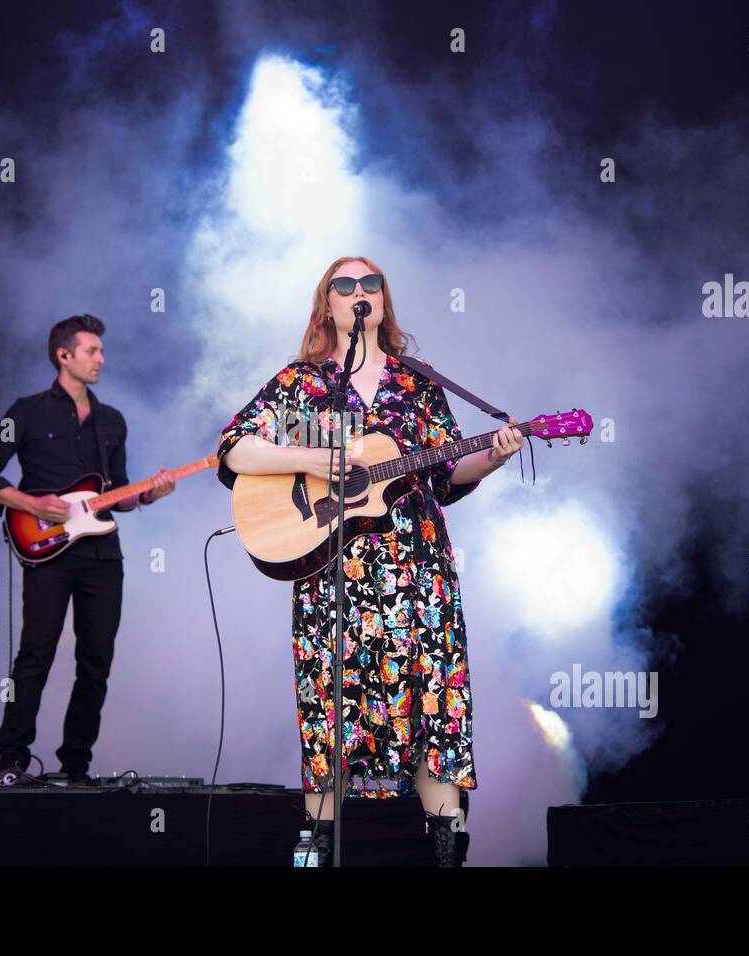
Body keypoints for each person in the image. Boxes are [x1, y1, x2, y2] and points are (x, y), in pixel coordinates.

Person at [215, 257, 523, 865]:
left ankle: (444, 847)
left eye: (372, 283)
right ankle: (319, 844)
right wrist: (314, 461)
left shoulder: (419, 382)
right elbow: (236, 448)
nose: (361, 292)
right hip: (334, 570)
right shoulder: (300, 384)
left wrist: (496, 455)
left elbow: (448, 474)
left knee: (433, 700)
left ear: (384, 298)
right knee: (330, 704)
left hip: (417, 574)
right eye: (346, 284)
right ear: (325, 303)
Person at [0, 314, 174, 785]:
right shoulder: (25, 412)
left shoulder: (112, 421)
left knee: (96, 659)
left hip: (102, 555)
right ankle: (12, 757)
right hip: (46, 549)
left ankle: (76, 763)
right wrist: (31, 502)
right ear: (64, 356)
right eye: (92, 351)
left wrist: (148, 494)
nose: (102, 359)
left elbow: (117, 492)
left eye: (101, 351)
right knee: (35, 654)